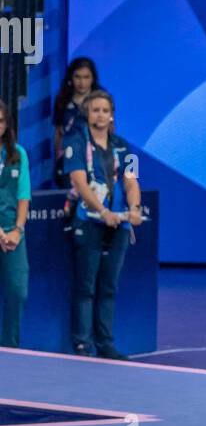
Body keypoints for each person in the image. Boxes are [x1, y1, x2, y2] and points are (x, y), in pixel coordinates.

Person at [64, 88, 143, 358]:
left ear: (112, 115)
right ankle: (82, 343)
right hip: (89, 222)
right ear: (87, 113)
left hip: (119, 225)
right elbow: (79, 181)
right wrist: (102, 211)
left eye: (105, 110)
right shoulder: (75, 140)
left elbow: (131, 181)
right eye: (95, 109)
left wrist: (133, 209)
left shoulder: (123, 145)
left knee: (108, 285)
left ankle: (105, 343)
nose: (100, 114)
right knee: (86, 286)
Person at [0, 101, 30, 348]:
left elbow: (24, 194)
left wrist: (17, 230)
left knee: (17, 291)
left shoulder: (18, 153)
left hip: (12, 234)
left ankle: (9, 348)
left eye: (0, 121)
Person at [52, 56, 100, 187]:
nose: (82, 82)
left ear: (93, 78)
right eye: (77, 77)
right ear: (70, 78)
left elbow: (109, 131)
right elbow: (58, 133)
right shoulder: (62, 100)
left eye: (86, 77)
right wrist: (58, 160)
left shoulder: (101, 99)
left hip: (94, 159)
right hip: (68, 160)